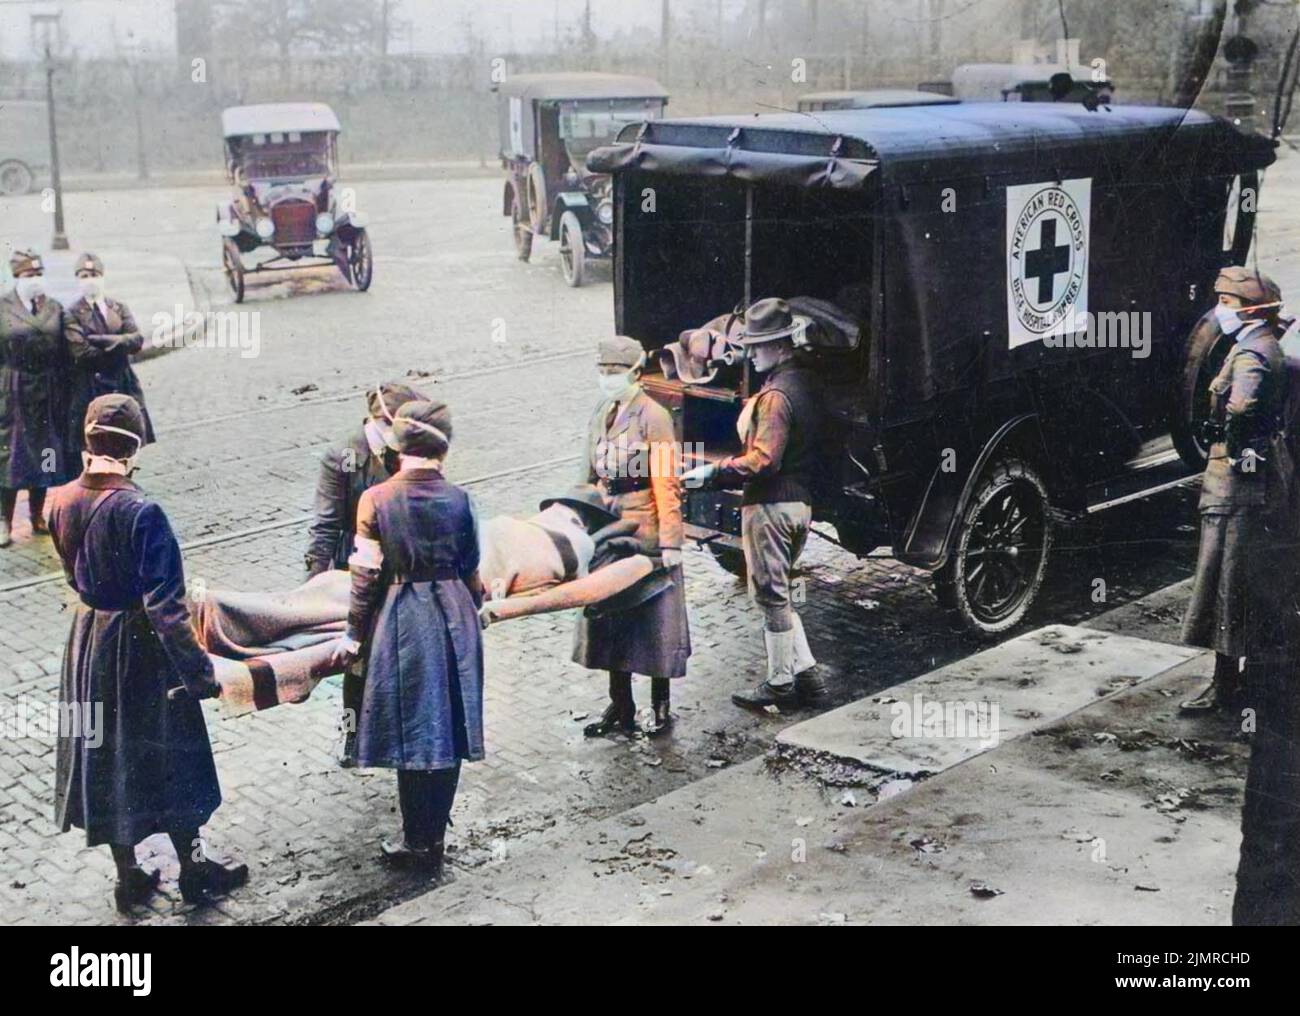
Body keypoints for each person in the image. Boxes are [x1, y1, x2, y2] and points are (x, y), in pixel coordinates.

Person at [47, 394, 247, 913]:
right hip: (142, 651)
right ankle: (195, 871)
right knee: (174, 757)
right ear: (133, 450)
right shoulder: (142, 510)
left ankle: (128, 876)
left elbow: (74, 576)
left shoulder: (59, 500)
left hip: (89, 644)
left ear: (88, 443)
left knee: (106, 760)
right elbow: (167, 608)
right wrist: (200, 675)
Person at [332, 399, 484, 879]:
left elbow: (364, 577)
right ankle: (433, 835)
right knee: (451, 720)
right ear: (442, 448)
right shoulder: (460, 499)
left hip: (402, 620)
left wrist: (355, 633)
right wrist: (474, 605)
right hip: (455, 615)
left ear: (399, 447)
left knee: (412, 725)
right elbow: (472, 568)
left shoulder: (376, 499)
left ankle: (416, 841)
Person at [682, 298, 828, 712]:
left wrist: (713, 473)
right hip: (799, 505)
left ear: (781, 346)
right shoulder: (805, 382)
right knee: (779, 593)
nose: (750, 353)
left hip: (770, 509)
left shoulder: (776, 398)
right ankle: (809, 679)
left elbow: (763, 460)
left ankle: (780, 684)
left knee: (771, 598)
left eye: (759, 345)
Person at [1181, 267, 1296, 715]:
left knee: (1226, 579)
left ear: (1249, 309)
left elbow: (1243, 404)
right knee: (1250, 579)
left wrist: (1230, 439)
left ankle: (1225, 685)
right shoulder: (1267, 344)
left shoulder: (1251, 354)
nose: (1219, 310)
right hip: (1261, 477)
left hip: (1237, 486)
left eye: (1226, 302)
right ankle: (1244, 677)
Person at [575, 335, 690, 738]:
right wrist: (577, 517)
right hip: (608, 526)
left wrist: (671, 541)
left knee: (655, 623)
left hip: (645, 529)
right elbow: (586, 472)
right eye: (602, 372)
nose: (607, 379)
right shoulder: (602, 411)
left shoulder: (652, 416)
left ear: (637, 374)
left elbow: (666, 481)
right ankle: (620, 706)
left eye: (615, 373)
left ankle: (660, 706)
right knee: (609, 619)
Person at [305, 381, 425, 765]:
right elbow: (324, 525)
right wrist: (315, 587)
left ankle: (404, 732)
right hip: (357, 563)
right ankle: (352, 736)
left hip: (404, 564)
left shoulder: (409, 448)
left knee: (404, 650)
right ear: (380, 420)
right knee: (356, 662)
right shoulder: (343, 455)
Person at [0, 248, 69, 547]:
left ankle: (38, 515)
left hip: (47, 391)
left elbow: (65, 351)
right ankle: (5, 522)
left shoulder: (53, 307)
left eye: (39, 274)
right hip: (13, 391)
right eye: (29, 275)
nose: (35, 280)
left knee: (45, 454)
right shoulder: (3, 308)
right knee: (10, 458)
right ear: (17, 277)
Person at [63, 253, 154, 464]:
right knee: (94, 441)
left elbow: (137, 340)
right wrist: (119, 344)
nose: (90, 280)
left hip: (122, 381)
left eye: (94, 274)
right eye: (84, 275)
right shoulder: (71, 313)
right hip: (91, 385)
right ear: (78, 279)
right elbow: (81, 352)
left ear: (102, 276)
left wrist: (99, 339)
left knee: (127, 434)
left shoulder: (118, 307)